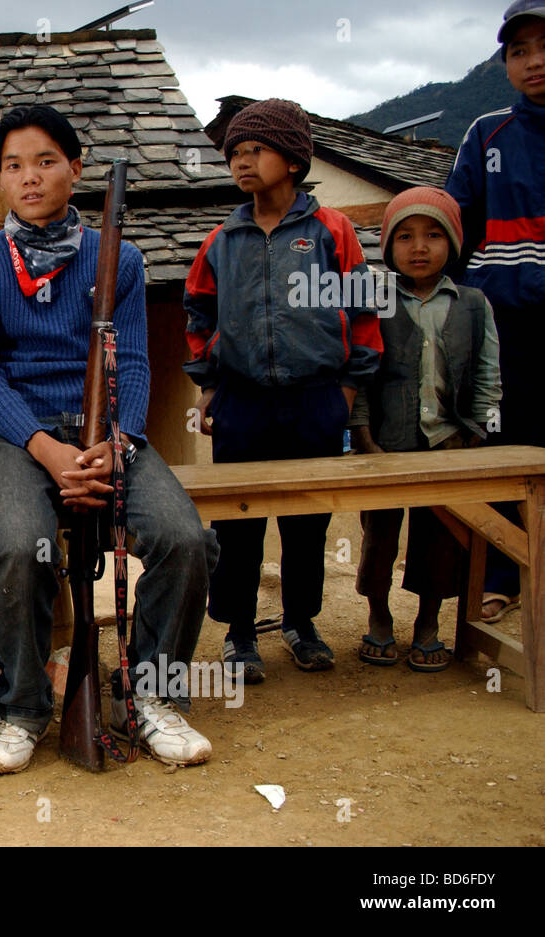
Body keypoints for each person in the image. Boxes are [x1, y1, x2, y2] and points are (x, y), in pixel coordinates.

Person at [0, 104, 219, 772]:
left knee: (184, 538)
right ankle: (21, 706)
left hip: (109, 436)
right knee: (19, 546)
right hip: (17, 440)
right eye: (13, 165)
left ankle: (149, 694)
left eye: (46, 160)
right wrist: (46, 447)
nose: (30, 177)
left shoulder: (120, 259)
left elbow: (131, 362)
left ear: (75, 168)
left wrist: (118, 441)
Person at [185, 98, 382, 682]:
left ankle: (301, 623)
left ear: (292, 159)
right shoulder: (223, 239)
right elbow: (198, 313)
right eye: (234, 153)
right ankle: (239, 635)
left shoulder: (331, 231)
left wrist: (344, 393)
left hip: (315, 398)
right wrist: (210, 385)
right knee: (236, 524)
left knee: (306, 521)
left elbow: (362, 311)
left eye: (255, 150)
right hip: (243, 401)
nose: (242, 162)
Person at [350, 188, 501, 671]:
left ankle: (429, 625)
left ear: (453, 244)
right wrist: (363, 432)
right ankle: (378, 618)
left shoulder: (474, 304)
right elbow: (362, 371)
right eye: (406, 237)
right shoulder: (376, 303)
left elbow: (486, 372)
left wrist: (476, 429)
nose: (419, 247)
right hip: (386, 444)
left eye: (433, 235)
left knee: (438, 543)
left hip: (448, 443)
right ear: (389, 247)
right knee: (378, 539)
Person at [445, 0, 545, 624]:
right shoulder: (487, 134)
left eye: (543, 46)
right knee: (505, 444)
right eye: (519, 51)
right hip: (504, 329)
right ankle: (506, 573)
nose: (534, 61)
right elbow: (453, 227)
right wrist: (460, 310)